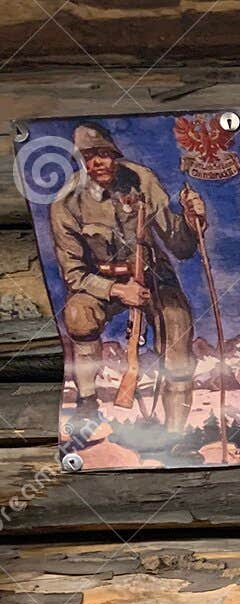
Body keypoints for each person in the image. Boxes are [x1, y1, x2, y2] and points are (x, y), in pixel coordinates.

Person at [49, 121, 204, 431]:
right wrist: (118, 291)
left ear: (115, 154)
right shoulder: (66, 203)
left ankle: (176, 435)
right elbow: (75, 275)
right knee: (78, 314)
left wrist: (192, 220)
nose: (98, 162)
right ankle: (87, 403)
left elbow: (181, 246)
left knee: (176, 325)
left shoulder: (142, 180)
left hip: (152, 278)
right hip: (100, 283)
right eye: (89, 156)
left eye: (104, 154)